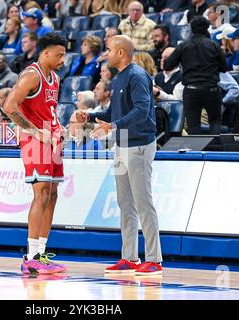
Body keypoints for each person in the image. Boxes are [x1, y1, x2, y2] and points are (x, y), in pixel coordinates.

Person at [76, 35, 163, 275]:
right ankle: (130, 257)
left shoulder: (136, 75)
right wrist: (92, 117)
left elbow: (142, 111)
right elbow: (114, 111)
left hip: (139, 145)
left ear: (122, 53)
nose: (106, 54)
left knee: (143, 203)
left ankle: (154, 259)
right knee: (125, 204)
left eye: (109, 50)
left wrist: (113, 126)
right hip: (122, 144)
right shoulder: (118, 78)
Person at [3, 32, 68, 275]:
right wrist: (35, 131)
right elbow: (9, 106)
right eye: (59, 54)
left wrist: (57, 126)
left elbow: (48, 110)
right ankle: (30, 257)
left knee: (52, 194)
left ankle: (41, 253)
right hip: (35, 140)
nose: (63, 58)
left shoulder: (56, 78)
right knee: (41, 194)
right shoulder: (32, 75)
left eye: (64, 54)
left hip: (53, 139)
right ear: (45, 53)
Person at [164, 16, 227, 135]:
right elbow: (224, 68)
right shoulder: (214, 45)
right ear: (207, 29)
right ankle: (217, 150)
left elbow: (167, 65)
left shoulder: (184, 45)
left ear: (191, 29)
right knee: (214, 122)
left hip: (191, 90)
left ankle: (197, 152)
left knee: (193, 125)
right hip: (211, 89)